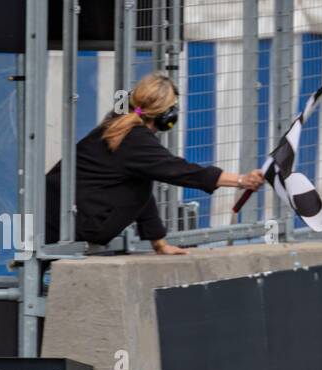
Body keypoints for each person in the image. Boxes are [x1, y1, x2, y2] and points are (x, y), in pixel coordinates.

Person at [45, 72, 264, 254]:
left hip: (56, 218)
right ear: (166, 116)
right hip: (75, 224)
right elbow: (182, 172)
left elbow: (141, 183)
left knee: (140, 179)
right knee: (144, 180)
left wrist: (158, 242)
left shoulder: (117, 120)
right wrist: (242, 180)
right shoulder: (135, 139)